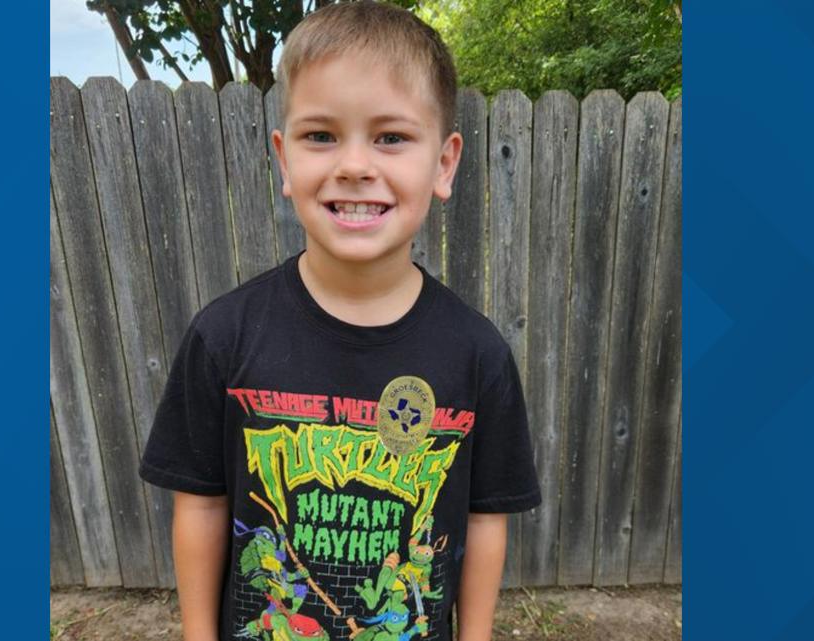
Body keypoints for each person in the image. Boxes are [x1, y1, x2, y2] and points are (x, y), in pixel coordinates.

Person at [139, 2, 541, 640]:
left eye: (391, 137)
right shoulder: (223, 336)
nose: (354, 164)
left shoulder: (476, 354)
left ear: (443, 162)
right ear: (283, 161)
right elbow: (201, 504)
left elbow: (487, 517)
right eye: (321, 135)